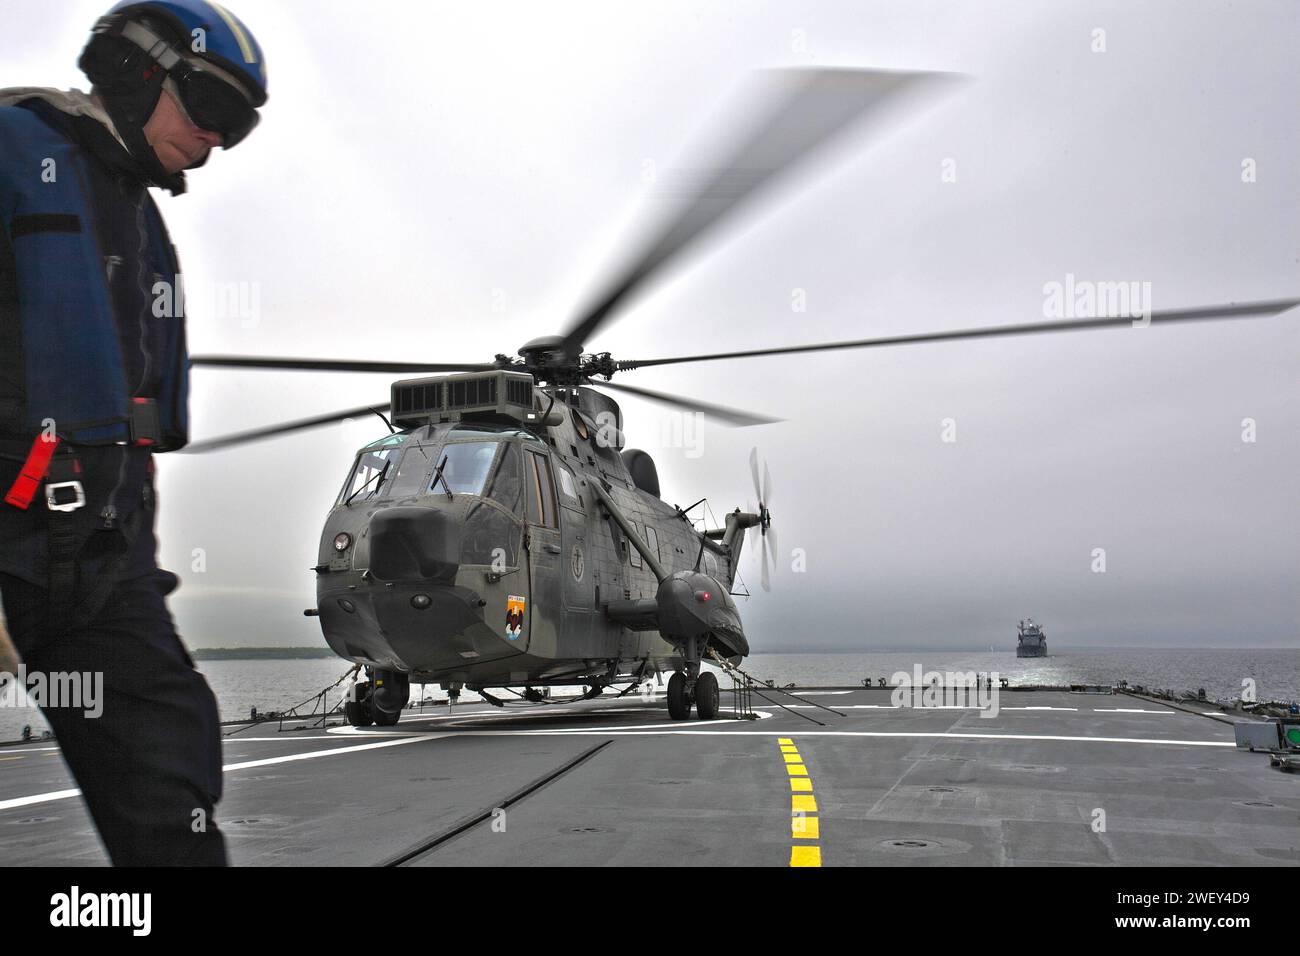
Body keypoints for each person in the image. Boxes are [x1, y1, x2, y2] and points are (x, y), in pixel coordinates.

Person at [0, 0, 267, 866]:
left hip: (101, 560)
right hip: (11, 540)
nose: (218, 140)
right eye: (212, 108)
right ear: (138, 71)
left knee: (169, 775)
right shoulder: (13, 150)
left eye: (240, 126)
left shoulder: (133, 214)